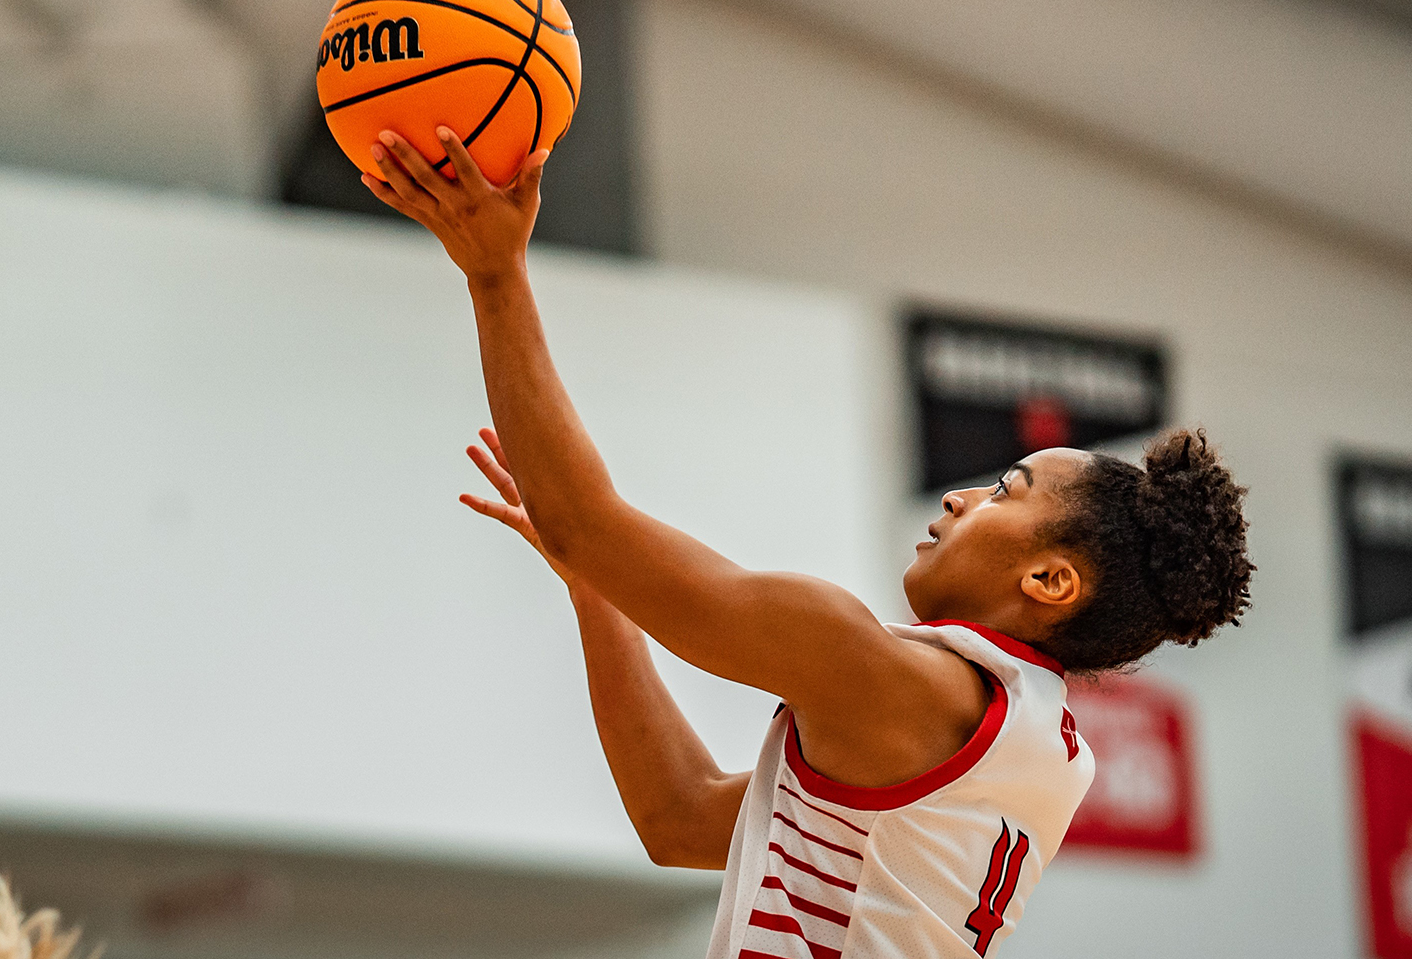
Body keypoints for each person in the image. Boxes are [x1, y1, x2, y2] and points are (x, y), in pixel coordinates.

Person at [361, 128, 1254, 959]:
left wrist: (495, 274)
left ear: (1053, 578)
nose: (960, 495)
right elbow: (675, 819)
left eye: (1005, 490)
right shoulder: (1036, 747)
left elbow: (582, 519)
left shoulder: (884, 682)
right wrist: (596, 588)